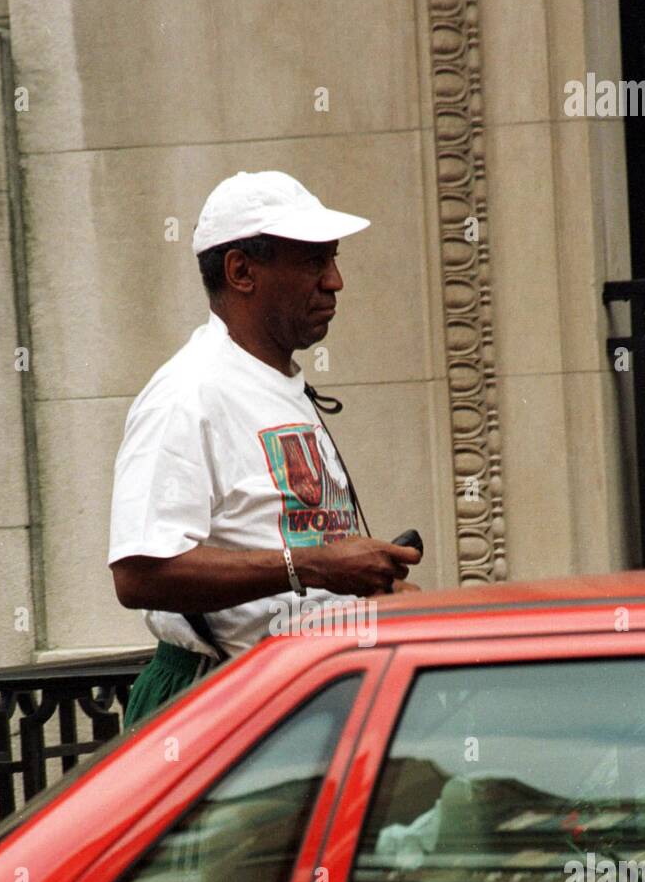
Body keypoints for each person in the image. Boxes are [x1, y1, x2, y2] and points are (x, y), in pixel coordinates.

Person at [108, 169, 422, 725]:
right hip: (218, 705)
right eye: (313, 261)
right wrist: (315, 567)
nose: (335, 281)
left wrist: (371, 594)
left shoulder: (277, 383)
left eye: (333, 259)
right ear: (241, 271)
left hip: (301, 696)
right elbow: (139, 574)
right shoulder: (188, 394)